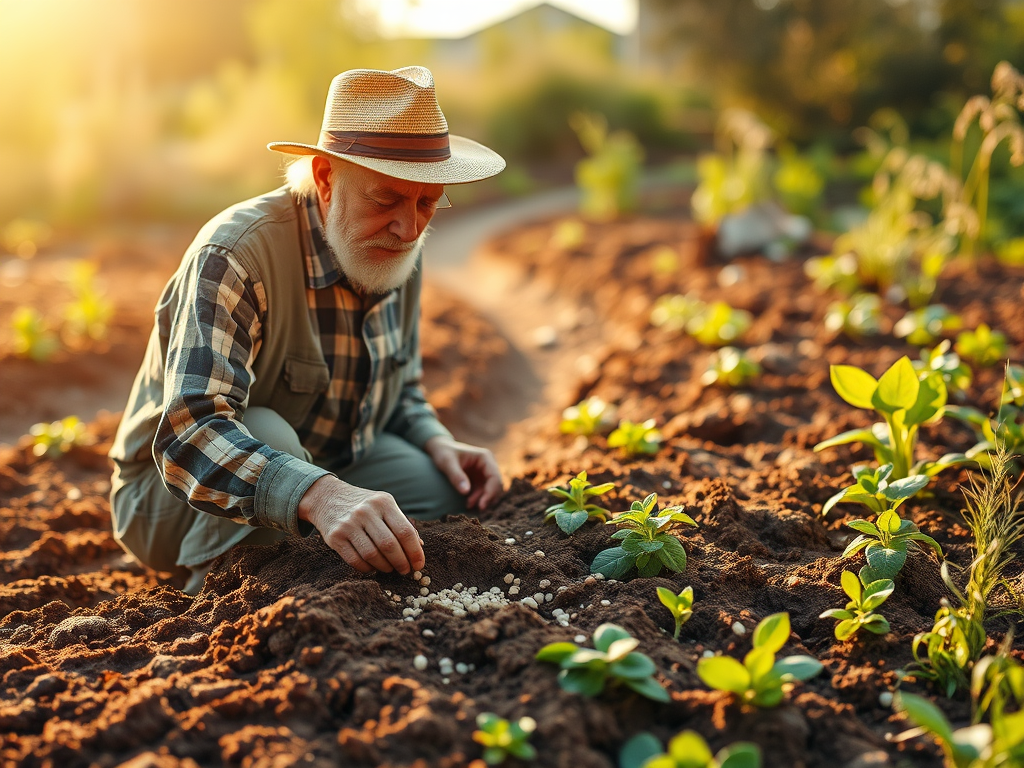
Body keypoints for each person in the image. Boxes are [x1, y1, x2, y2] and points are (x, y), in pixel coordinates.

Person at [108, 66, 506, 594]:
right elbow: (191, 433)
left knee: (444, 496)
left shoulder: (398, 247)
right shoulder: (234, 255)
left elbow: (401, 385)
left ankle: (307, 529)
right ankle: (224, 590)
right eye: (385, 199)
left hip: (330, 455)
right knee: (270, 433)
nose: (408, 228)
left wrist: (438, 442)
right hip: (171, 496)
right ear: (324, 179)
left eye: (426, 203)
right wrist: (321, 495)